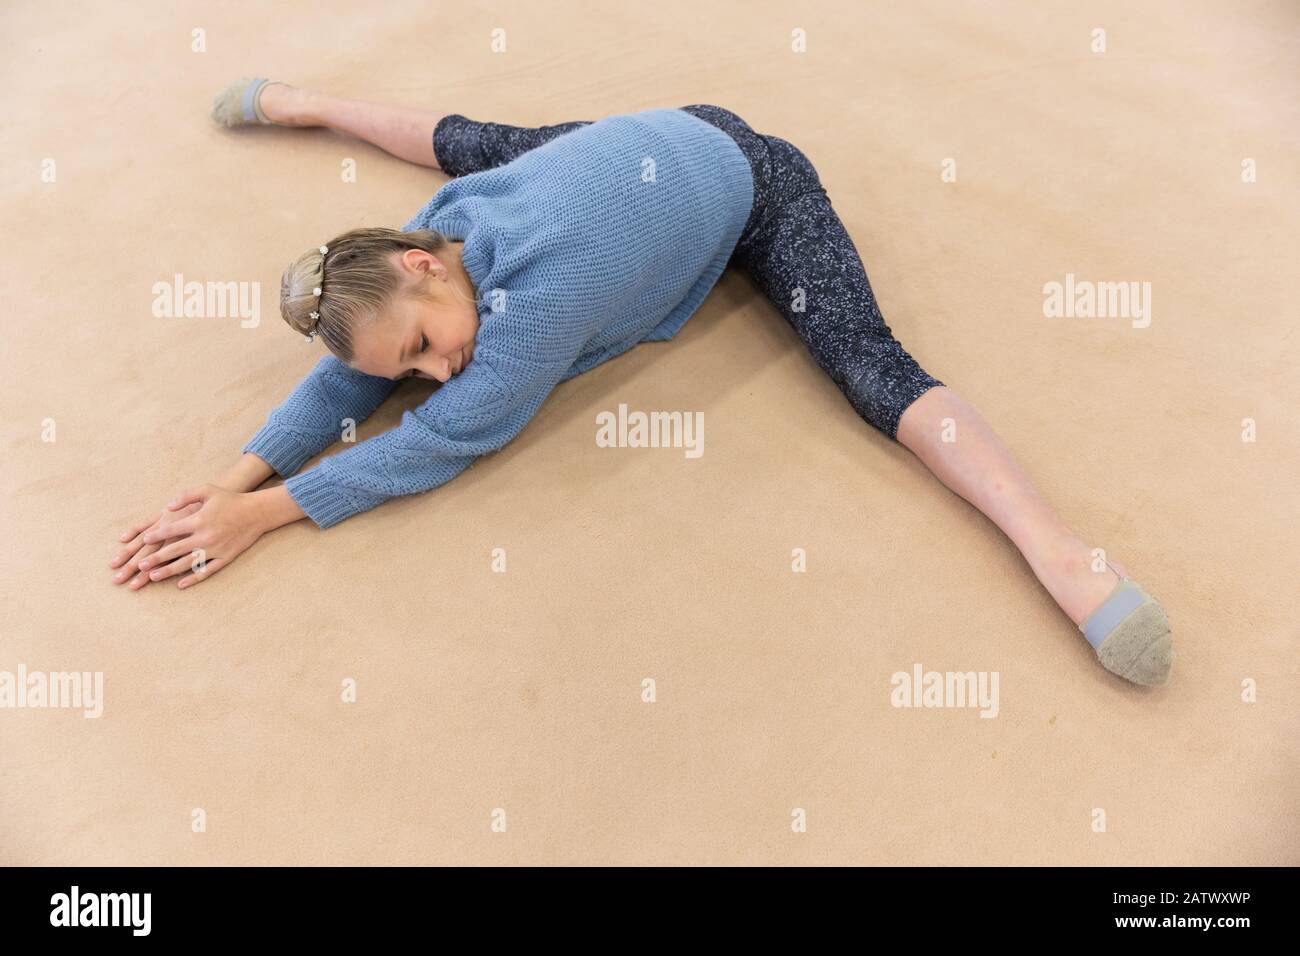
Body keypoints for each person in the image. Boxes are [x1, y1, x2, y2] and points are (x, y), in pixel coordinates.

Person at [108, 78, 1173, 686]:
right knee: (464, 140)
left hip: (748, 176)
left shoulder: (531, 306)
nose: (436, 371)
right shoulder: (454, 229)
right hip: (630, 143)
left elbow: (438, 439)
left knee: (869, 363)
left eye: (427, 343)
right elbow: (350, 384)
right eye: (416, 366)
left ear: (429, 259)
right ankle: (307, 99)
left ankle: (1060, 552)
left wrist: (265, 515)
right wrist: (231, 475)